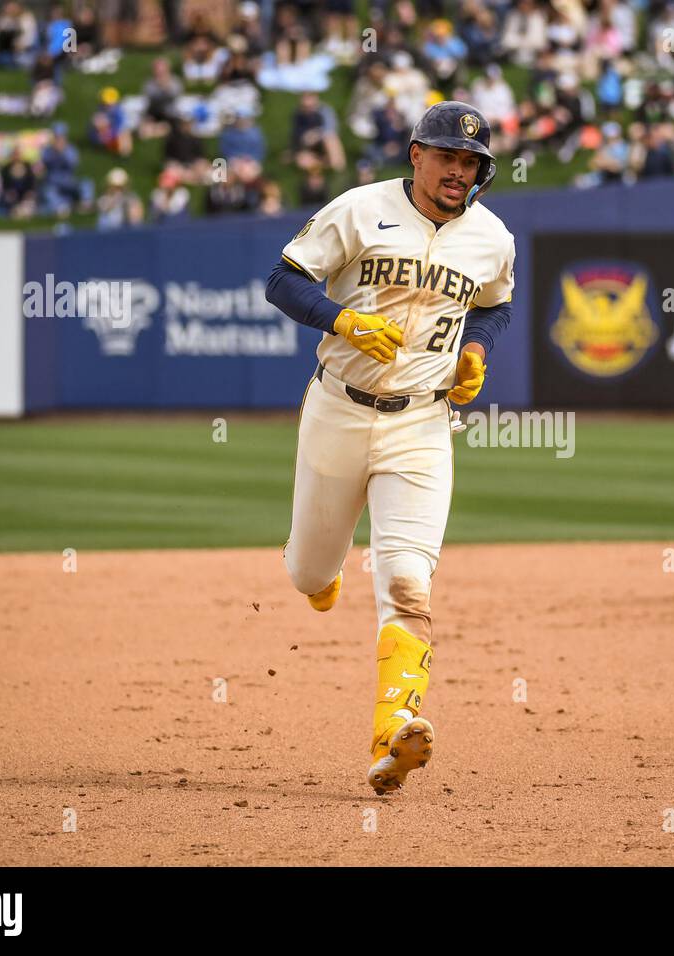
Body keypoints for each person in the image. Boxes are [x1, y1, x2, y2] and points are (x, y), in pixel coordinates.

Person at [263, 101, 515, 795]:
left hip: (423, 425)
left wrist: (475, 352)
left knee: (408, 581)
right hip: (338, 410)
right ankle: (322, 577)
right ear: (416, 155)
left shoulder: (491, 237)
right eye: (447, 158)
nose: (458, 172)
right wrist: (342, 318)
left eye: (471, 163)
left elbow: (495, 303)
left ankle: (393, 734)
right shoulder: (359, 209)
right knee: (309, 573)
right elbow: (282, 280)